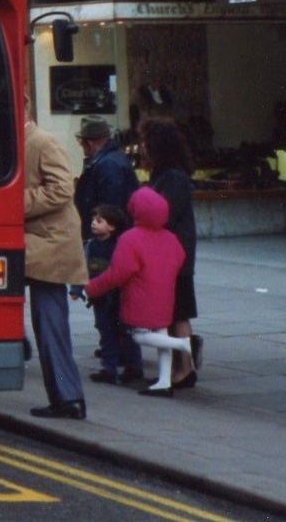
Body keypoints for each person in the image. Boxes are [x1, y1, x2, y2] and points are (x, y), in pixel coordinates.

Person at [85, 187, 203, 396]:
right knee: (160, 334)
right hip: (165, 297)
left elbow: (117, 274)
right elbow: (179, 259)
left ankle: (185, 344)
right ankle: (163, 382)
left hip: (140, 298)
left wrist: (92, 287)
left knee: (140, 336)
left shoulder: (131, 238)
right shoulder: (170, 238)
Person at [24, 113, 89, 420]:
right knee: (47, 323)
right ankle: (66, 397)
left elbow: (63, 189)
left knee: (50, 324)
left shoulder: (42, 141)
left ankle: (68, 399)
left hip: (48, 244)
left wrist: (14, 200)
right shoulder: (24, 141)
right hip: (39, 243)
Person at [140, 117, 201, 387]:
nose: (141, 149)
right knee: (173, 312)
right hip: (168, 253)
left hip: (175, 256)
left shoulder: (173, 178)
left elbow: (164, 214)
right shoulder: (164, 176)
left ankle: (185, 366)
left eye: (145, 144)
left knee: (178, 313)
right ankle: (181, 364)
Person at [74, 203, 146, 384]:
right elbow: (80, 269)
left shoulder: (120, 245)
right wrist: (76, 288)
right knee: (106, 333)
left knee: (127, 333)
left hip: (120, 298)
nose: (93, 223)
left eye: (99, 221)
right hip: (100, 299)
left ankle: (134, 367)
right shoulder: (89, 246)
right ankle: (109, 368)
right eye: (93, 220)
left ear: (112, 226)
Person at [75, 116, 139, 240]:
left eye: (81, 141)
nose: (80, 145)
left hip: (108, 238)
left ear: (89, 142)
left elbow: (111, 209)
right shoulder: (111, 160)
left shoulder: (108, 165)